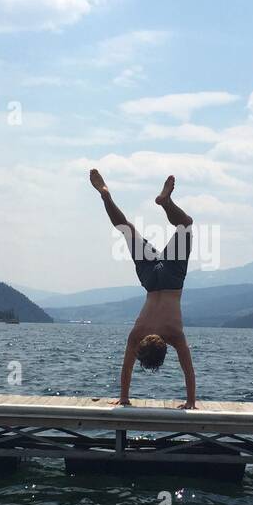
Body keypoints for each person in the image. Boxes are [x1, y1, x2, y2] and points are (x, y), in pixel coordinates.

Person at [89, 169, 197, 409]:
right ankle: (107, 196)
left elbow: (188, 372)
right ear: (142, 348)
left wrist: (191, 400)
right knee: (126, 229)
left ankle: (166, 202)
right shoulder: (137, 334)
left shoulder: (174, 335)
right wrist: (124, 396)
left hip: (171, 280)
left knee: (185, 225)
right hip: (150, 279)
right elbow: (126, 368)